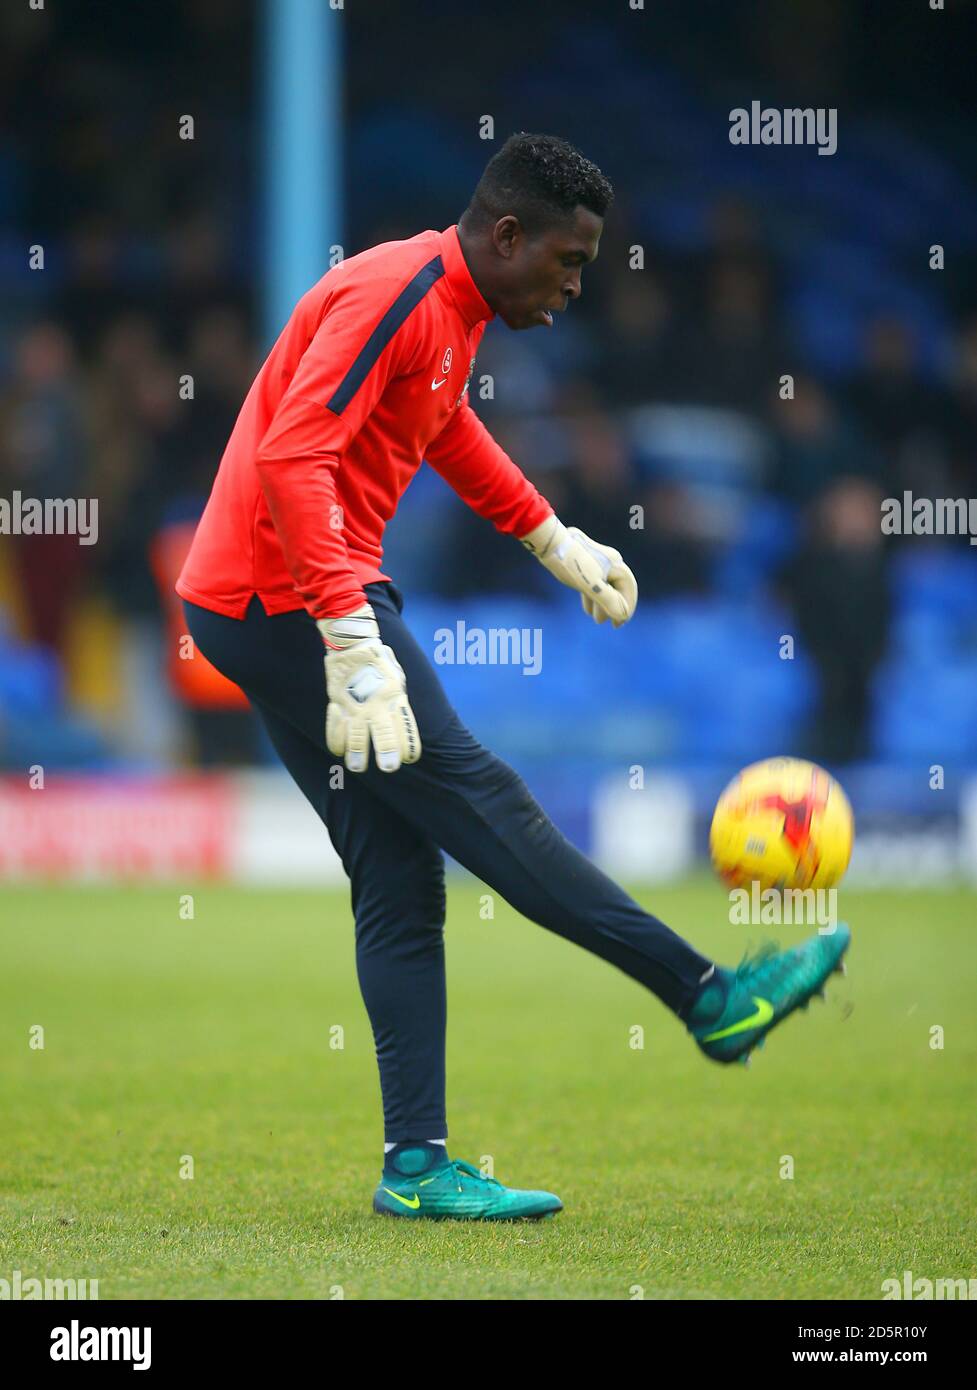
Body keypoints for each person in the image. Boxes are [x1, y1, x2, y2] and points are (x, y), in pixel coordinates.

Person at [177, 133, 850, 1221]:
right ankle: (709, 997)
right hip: (290, 599)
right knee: (487, 804)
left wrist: (554, 539)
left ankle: (416, 1167)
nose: (575, 286)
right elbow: (292, 454)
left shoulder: (449, 311)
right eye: (567, 262)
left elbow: (440, 427)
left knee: (397, 875)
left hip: (275, 597)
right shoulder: (397, 291)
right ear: (505, 235)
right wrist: (349, 641)